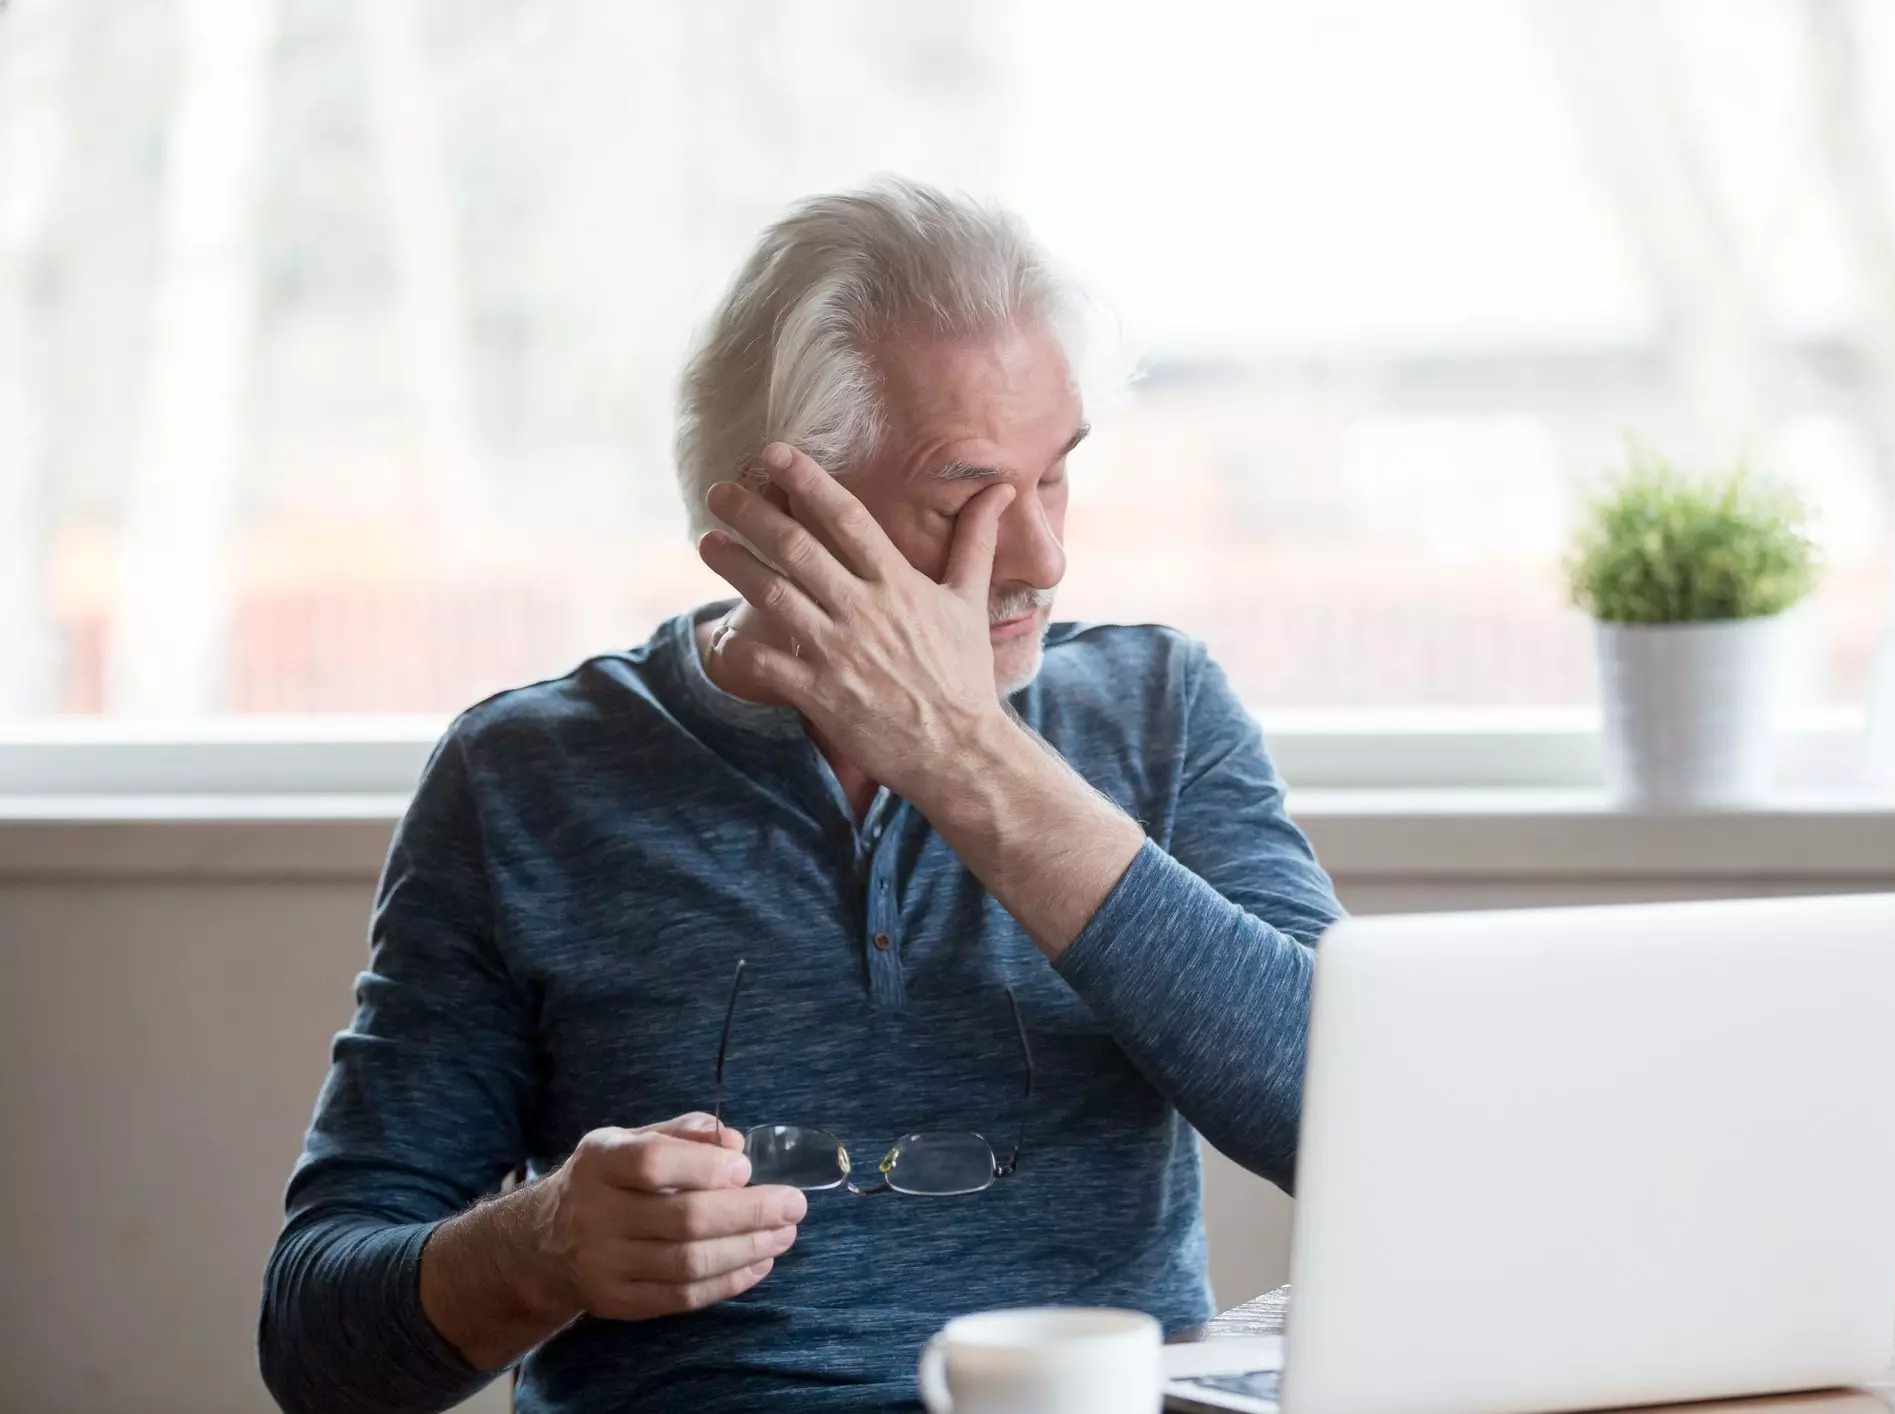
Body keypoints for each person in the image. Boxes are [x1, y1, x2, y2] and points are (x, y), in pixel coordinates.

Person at [259, 177, 1342, 1414]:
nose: (1042, 555)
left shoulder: (1161, 710)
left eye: (1056, 478)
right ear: (782, 514)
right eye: (966, 497)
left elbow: (1360, 1125)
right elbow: (318, 1346)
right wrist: (542, 1241)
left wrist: (963, 756)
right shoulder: (523, 778)